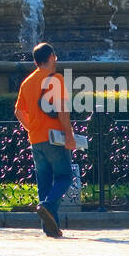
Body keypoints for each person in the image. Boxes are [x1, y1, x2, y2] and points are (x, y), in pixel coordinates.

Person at [15, 43, 76, 238]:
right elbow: (62, 111)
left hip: (36, 139)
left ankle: (51, 228)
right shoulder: (55, 79)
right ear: (50, 57)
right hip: (55, 139)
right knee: (64, 177)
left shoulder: (27, 82)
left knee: (44, 184)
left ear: (35, 61)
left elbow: (18, 111)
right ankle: (47, 206)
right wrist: (69, 135)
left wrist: (31, 128)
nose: (56, 60)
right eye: (55, 57)